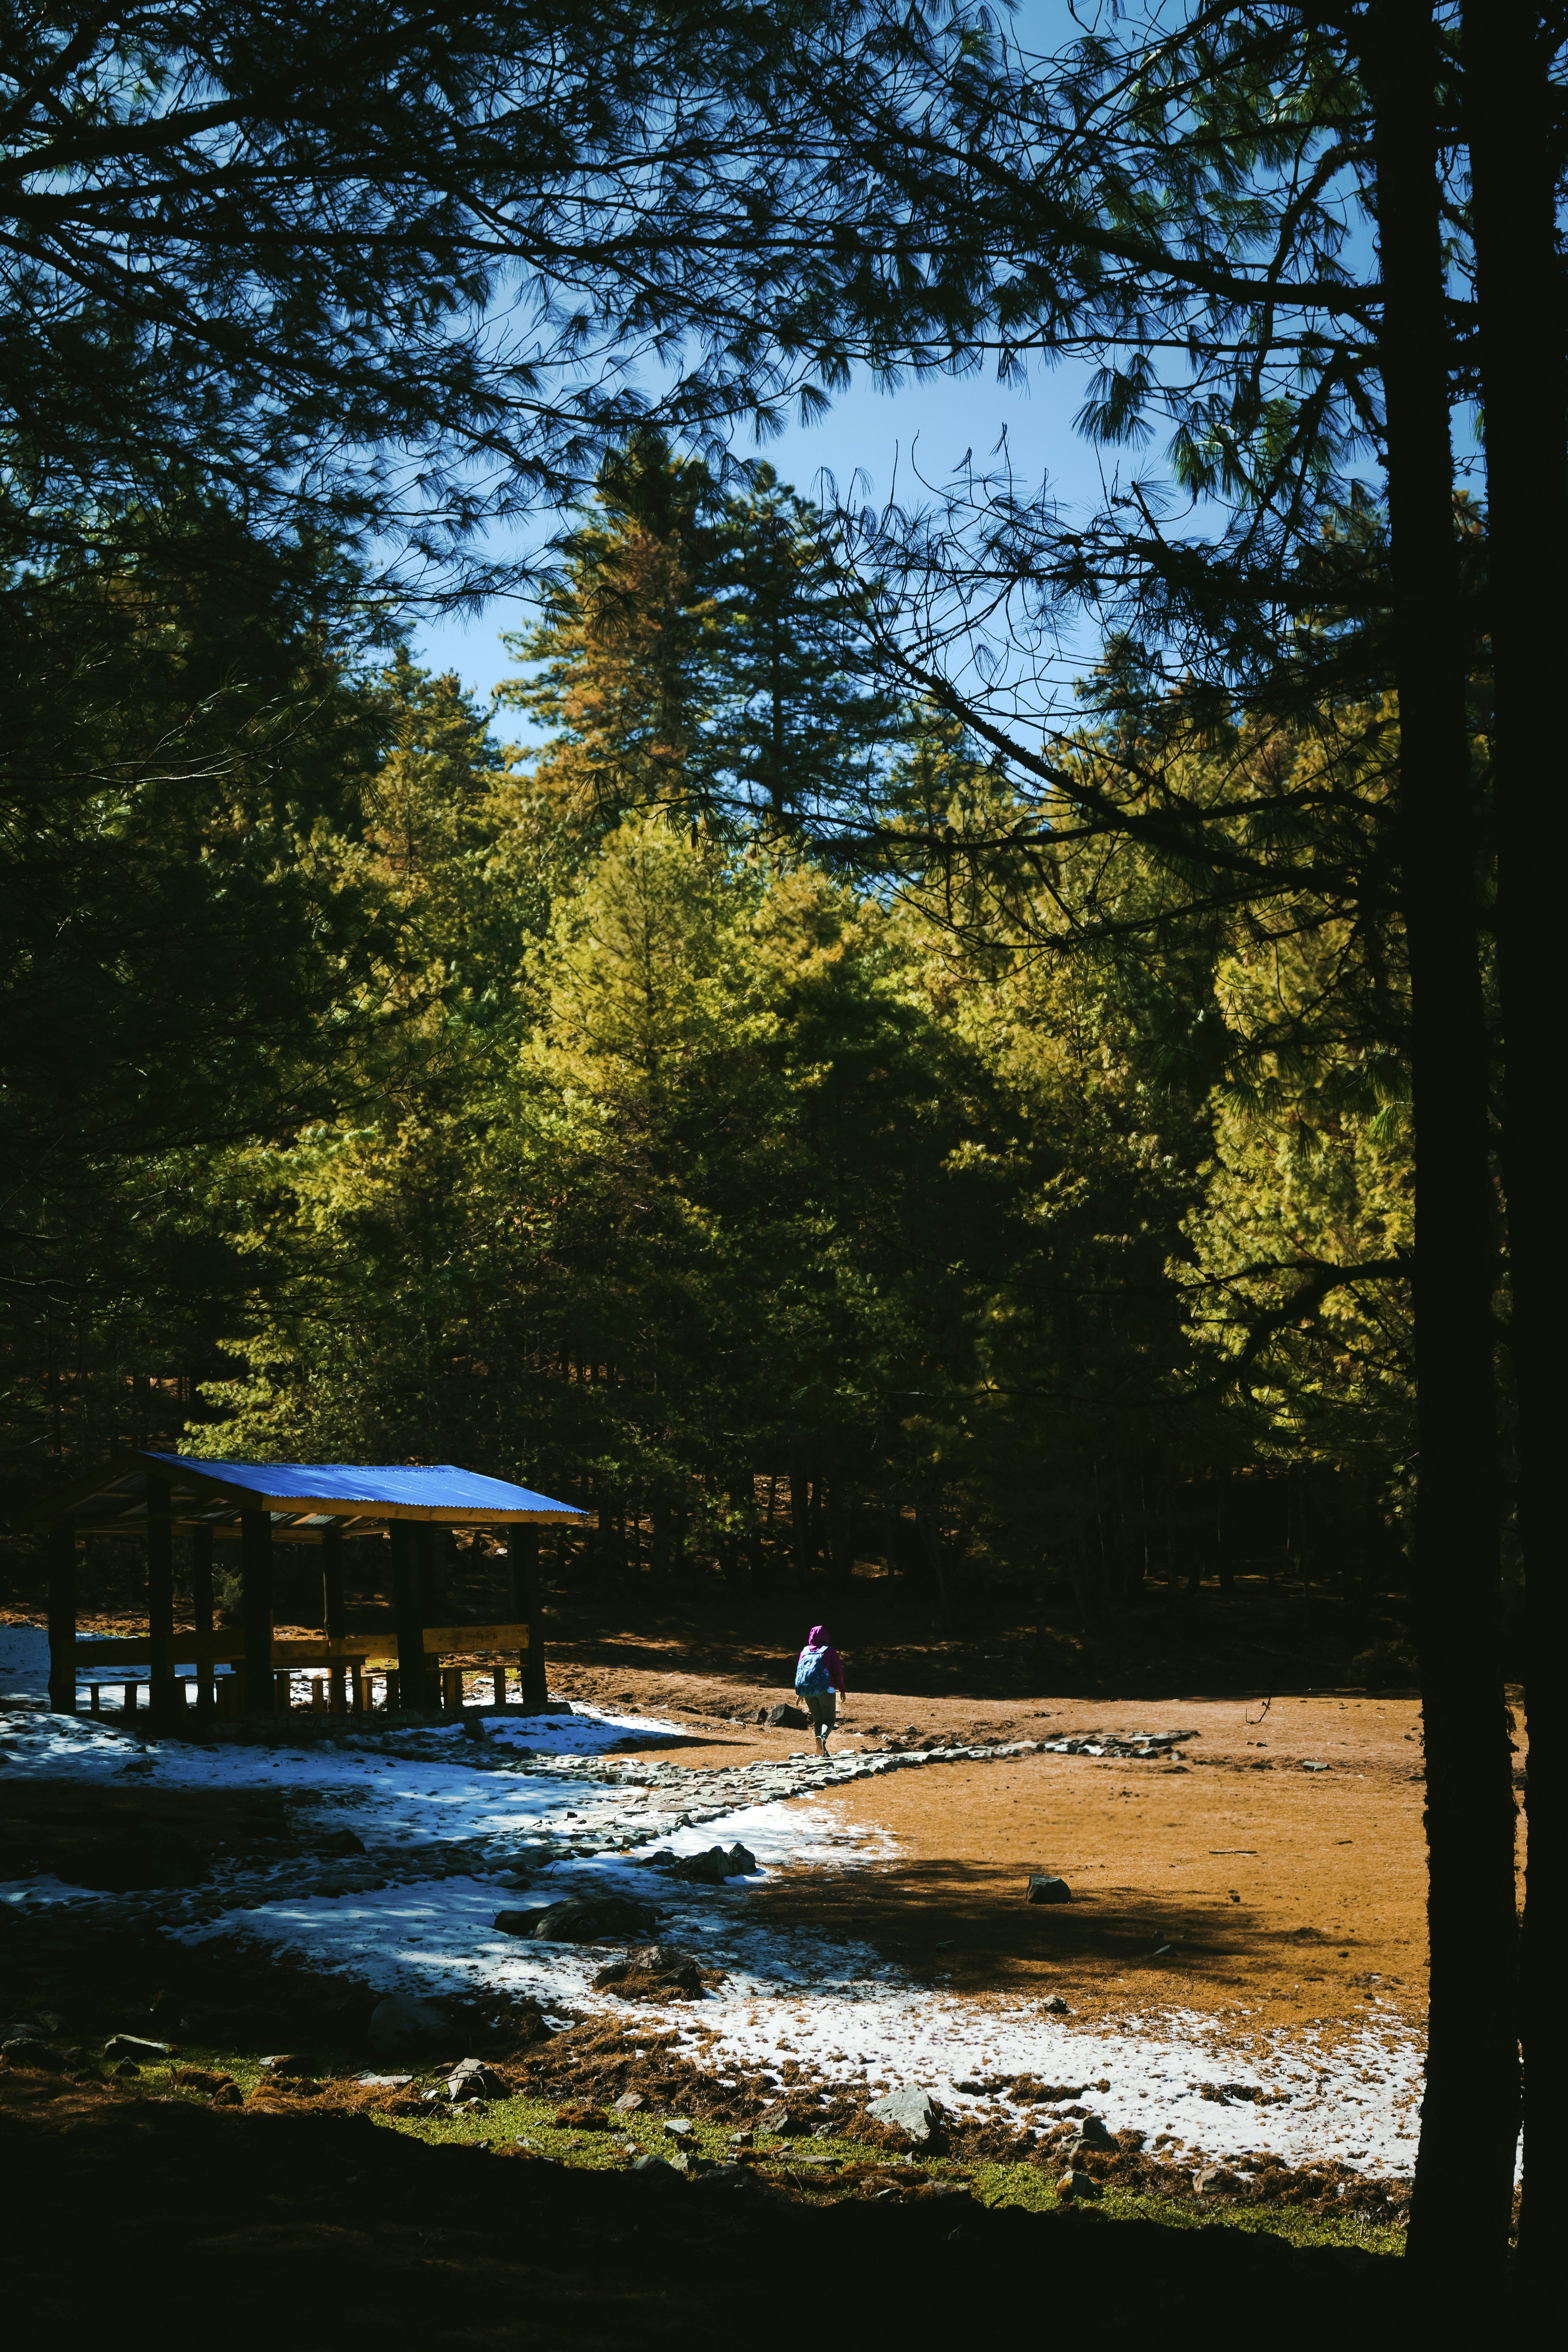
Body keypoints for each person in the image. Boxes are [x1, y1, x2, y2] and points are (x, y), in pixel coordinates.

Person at [794, 1624, 845, 1753]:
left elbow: (800, 1672)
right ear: (825, 1637)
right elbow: (838, 1672)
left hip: (807, 1691)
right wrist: (842, 1690)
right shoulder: (830, 1651)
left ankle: (822, 1750)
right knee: (829, 1719)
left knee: (818, 1720)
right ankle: (822, 1738)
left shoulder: (804, 1651)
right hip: (826, 1690)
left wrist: (800, 1692)